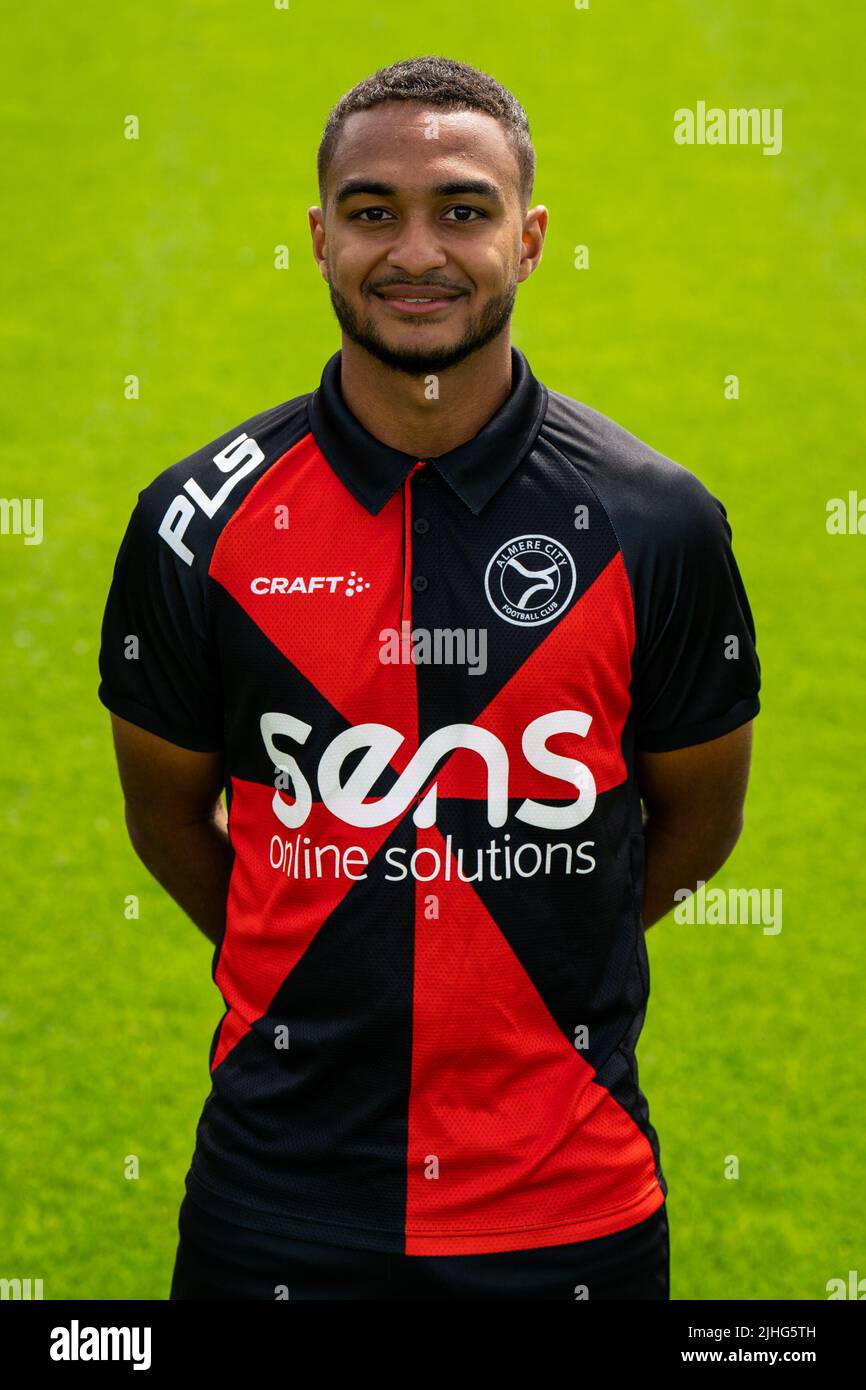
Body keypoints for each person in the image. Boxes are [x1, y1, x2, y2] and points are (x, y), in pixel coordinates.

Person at [97, 56, 760, 1300]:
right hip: (275, 1195)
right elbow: (166, 817)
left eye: (461, 210)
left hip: (569, 1205)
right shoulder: (194, 524)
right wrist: (324, 948)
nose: (415, 251)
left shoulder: (655, 522)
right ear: (316, 236)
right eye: (370, 211)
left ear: (531, 235)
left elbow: (698, 819)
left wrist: (523, 960)